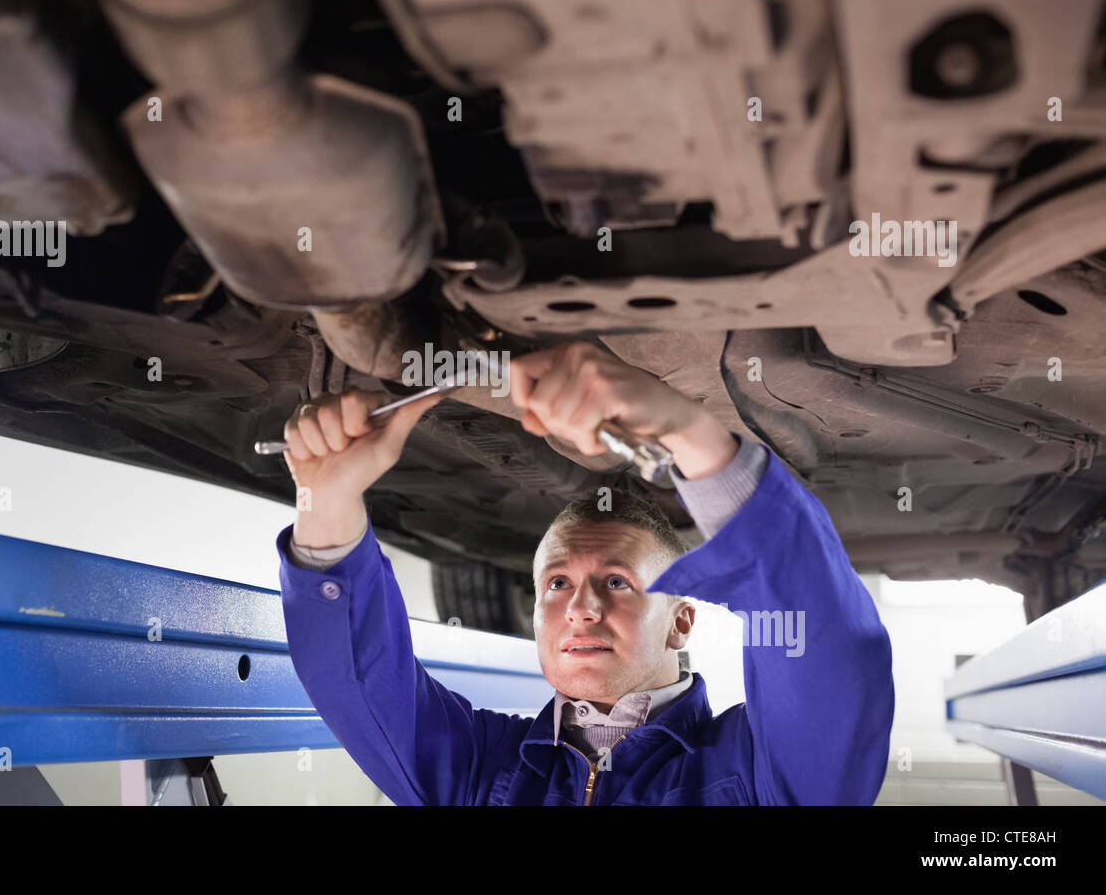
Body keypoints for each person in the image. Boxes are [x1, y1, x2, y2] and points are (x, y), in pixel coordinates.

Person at [275, 341, 894, 805]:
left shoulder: (752, 772)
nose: (581, 608)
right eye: (558, 583)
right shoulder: (486, 769)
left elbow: (827, 658)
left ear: (681, 622)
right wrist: (325, 503)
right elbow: (358, 686)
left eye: (618, 581)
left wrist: (690, 433)